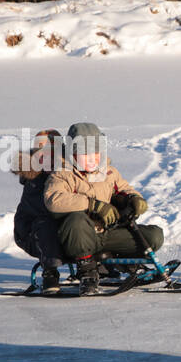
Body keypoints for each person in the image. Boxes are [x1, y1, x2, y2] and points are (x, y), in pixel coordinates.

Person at [44, 122, 163, 295]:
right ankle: (87, 270)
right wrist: (92, 205)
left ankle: (124, 264)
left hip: (106, 234)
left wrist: (134, 200)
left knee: (154, 236)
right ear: (73, 153)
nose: (92, 158)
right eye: (86, 153)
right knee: (76, 220)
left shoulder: (109, 172)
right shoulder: (62, 174)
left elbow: (125, 189)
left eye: (96, 152)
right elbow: (54, 200)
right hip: (78, 240)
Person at [10, 128, 66, 293]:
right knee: (46, 224)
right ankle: (50, 273)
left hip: (61, 228)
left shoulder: (66, 175)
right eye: (39, 148)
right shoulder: (34, 179)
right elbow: (38, 208)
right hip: (31, 231)